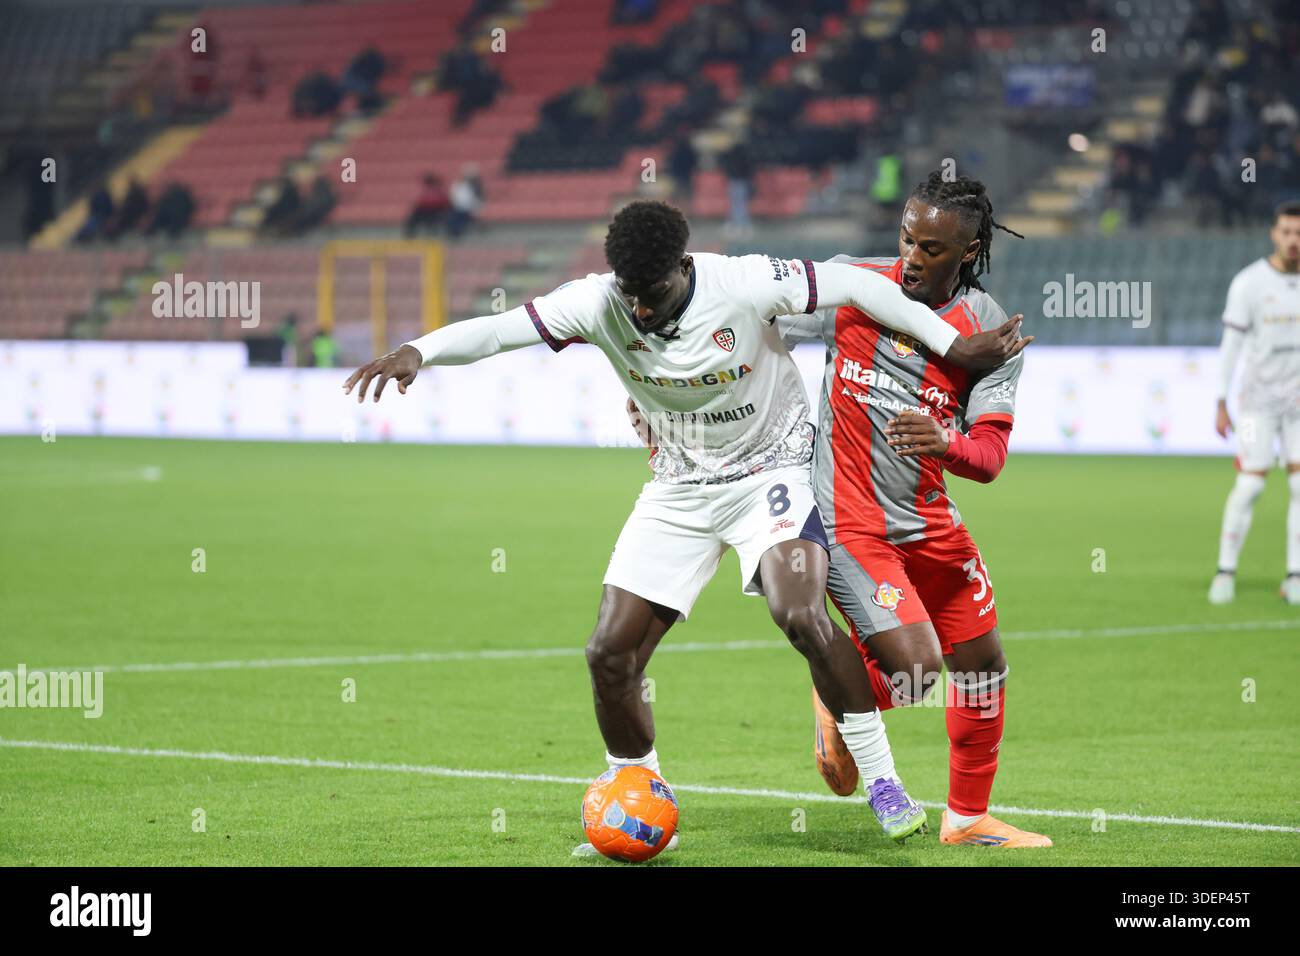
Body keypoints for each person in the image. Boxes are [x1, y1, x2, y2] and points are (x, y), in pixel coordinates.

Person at [342, 200, 1028, 853]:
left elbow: (853, 282)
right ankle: (636, 791)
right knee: (608, 654)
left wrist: (952, 345)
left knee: (801, 613)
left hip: (772, 474)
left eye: (654, 292)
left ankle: (883, 785)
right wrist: (417, 351)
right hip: (679, 489)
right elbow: (499, 328)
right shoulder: (598, 300)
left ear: (684, 268)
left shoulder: (742, 280)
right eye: (631, 292)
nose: (640, 307)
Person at [778, 173, 1052, 848]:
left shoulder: (988, 329)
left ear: (970, 248)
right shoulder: (850, 284)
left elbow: (988, 457)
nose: (912, 257)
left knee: (983, 666)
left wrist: (948, 443)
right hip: (849, 521)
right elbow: (756, 320)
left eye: (932, 247)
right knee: (915, 671)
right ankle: (842, 692)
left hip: (928, 518)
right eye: (907, 238)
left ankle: (966, 818)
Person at [1208, 201, 1300, 606]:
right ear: (1273, 233)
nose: (1292, 241)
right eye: (1286, 232)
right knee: (1249, 486)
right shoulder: (1249, 282)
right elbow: (1231, 347)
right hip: (1257, 404)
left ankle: (1295, 576)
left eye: (1298, 233)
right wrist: (1221, 400)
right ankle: (1225, 572)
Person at [446, 166, 483, 239]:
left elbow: (477, 199)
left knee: (459, 216)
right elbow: (454, 198)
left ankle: (456, 233)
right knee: (453, 216)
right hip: (459, 208)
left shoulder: (476, 186)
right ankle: (454, 233)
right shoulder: (458, 185)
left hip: (470, 208)